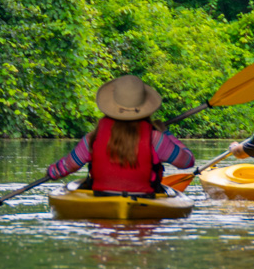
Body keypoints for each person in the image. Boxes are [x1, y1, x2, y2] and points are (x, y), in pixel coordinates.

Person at [45, 75, 194, 195]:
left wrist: (52, 172)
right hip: (143, 198)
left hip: (102, 197)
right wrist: (166, 133)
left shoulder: (94, 137)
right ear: (144, 107)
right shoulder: (156, 138)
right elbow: (187, 161)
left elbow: (68, 166)